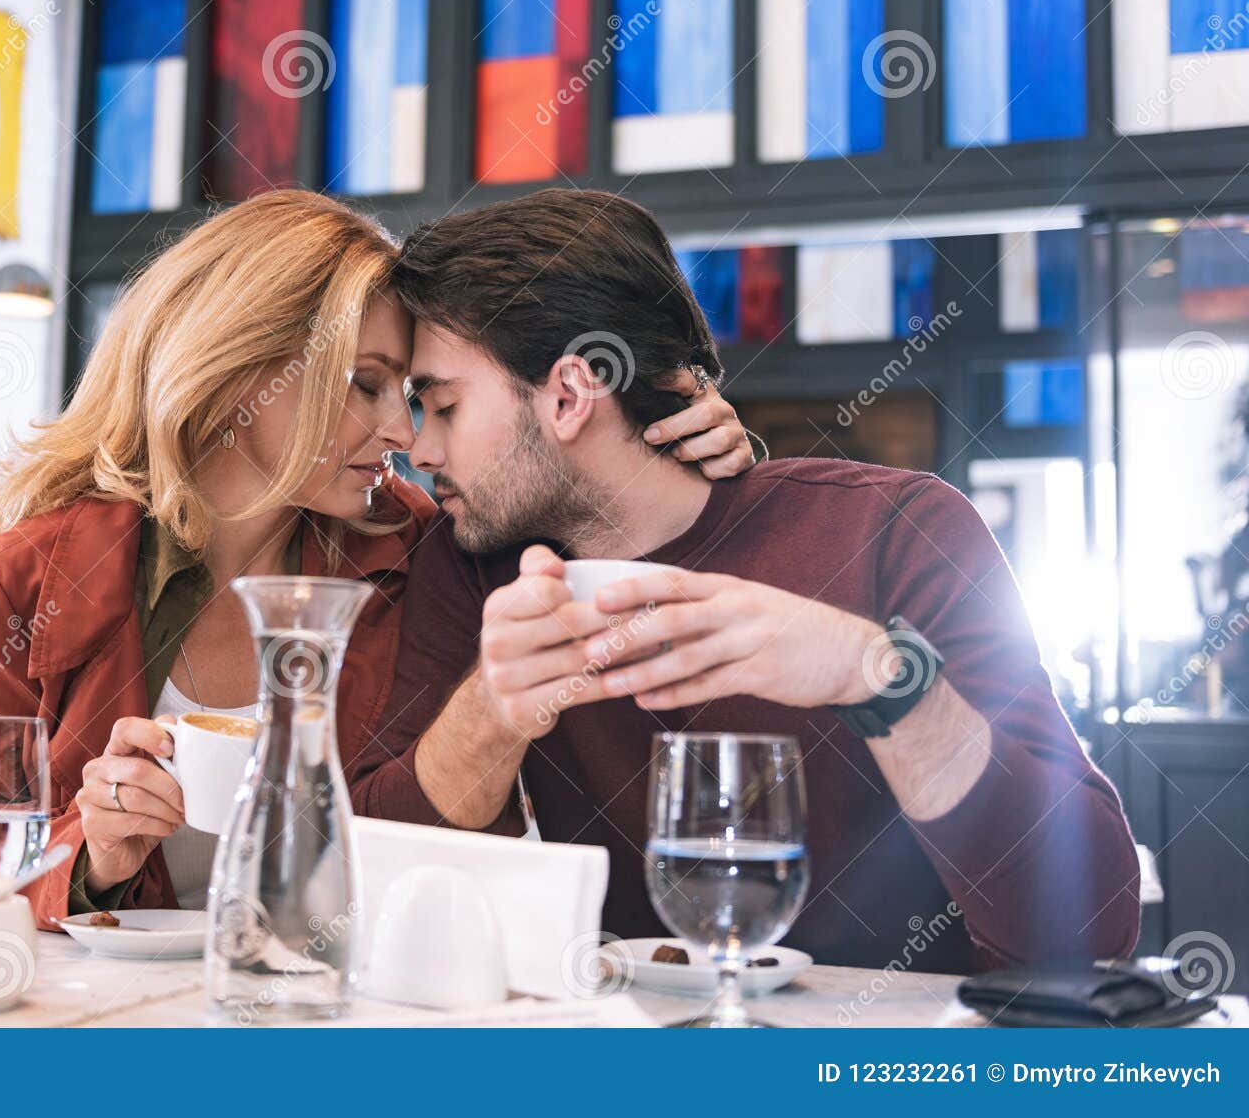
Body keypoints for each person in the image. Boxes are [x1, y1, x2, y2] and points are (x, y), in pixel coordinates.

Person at [347, 188, 1141, 973]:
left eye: (443, 406)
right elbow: (370, 891)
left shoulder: (896, 530)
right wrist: (493, 709)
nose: (420, 449)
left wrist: (869, 673)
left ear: (568, 395)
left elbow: (1091, 927)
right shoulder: (476, 566)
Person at [0, 190, 757, 926]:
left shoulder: (422, 549)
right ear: (241, 370)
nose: (401, 432)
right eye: (367, 385)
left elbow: (589, 552)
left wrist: (669, 455)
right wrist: (92, 861)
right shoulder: (12, 585)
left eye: (415, 396)